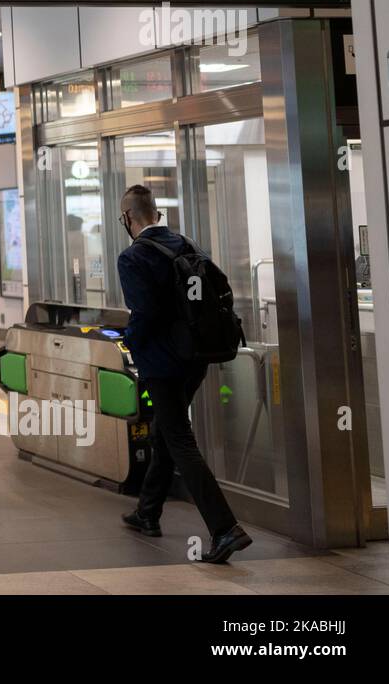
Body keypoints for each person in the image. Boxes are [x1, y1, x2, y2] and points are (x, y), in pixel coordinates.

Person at [116, 184, 252, 564]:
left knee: (179, 440)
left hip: (162, 364)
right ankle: (148, 510)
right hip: (197, 358)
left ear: (127, 218)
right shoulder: (188, 245)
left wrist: (130, 341)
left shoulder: (133, 257)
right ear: (155, 212)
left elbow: (143, 313)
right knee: (166, 429)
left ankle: (225, 528)